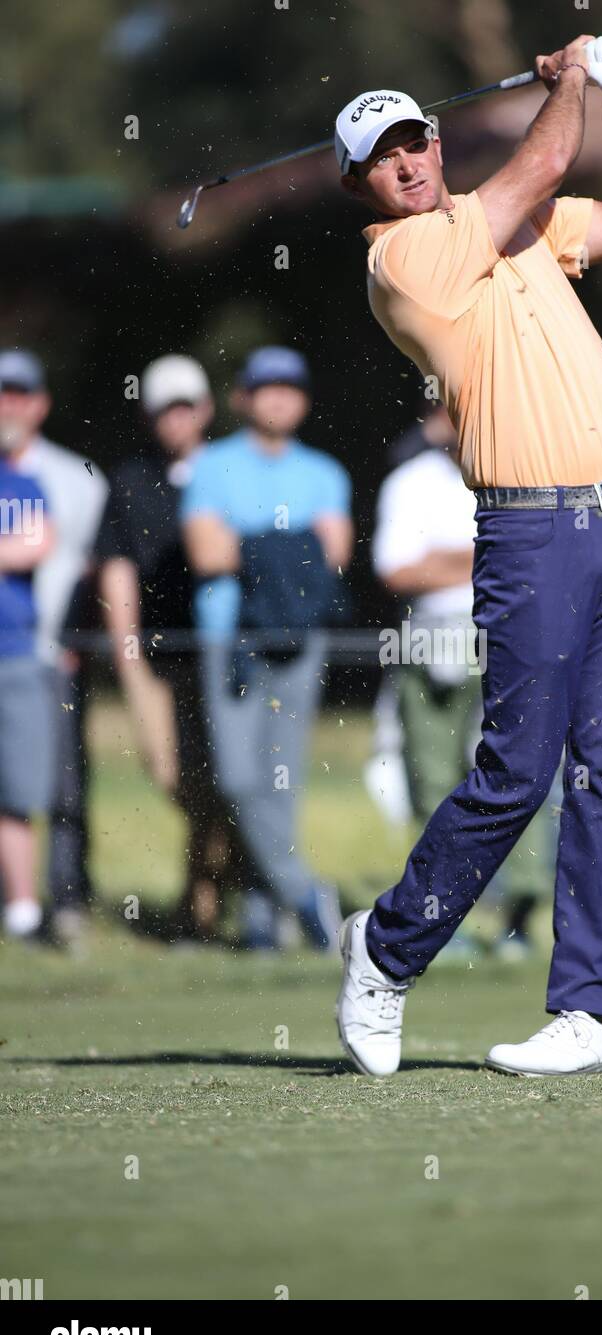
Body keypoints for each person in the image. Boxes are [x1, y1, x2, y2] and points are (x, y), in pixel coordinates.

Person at [333, 33, 602, 1076]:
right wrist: (572, 74)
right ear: (359, 182)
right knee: (516, 770)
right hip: (535, 530)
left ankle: (586, 1014)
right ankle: (384, 953)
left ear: (435, 142)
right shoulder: (400, 258)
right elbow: (532, 163)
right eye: (381, 157)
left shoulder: (514, 223)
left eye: (413, 142)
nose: (405, 164)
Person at [182, 346, 353, 951]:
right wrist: (293, 547)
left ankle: (262, 916)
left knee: (280, 779)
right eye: (265, 387)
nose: (278, 397)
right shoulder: (212, 465)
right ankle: (304, 894)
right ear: (243, 398)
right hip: (230, 637)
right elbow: (206, 551)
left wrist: (252, 546)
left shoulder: (325, 473)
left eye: (290, 387)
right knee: (235, 777)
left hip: (298, 640)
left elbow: (334, 555)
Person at [373, 399, 551, 958]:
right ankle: (441, 917)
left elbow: (538, 560)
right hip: (435, 638)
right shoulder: (410, 481)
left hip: (511, 634)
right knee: (433, 779)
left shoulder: (520, 476)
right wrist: (483, 557)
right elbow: (398, 568)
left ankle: (519, 916)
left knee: (517, 771)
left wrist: (449, 560)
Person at [96, 354, 240, 941]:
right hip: (158, 656)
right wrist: (126, 652)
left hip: (224, 654)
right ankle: (223, 880)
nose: (176, 420)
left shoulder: (231, 472)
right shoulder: (130, 482)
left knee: (223, 777)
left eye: (185, 407)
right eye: (164, 410)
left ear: (204, 409)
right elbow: (118, 569)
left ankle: (204, 901)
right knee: (172, 774)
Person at [0, 349, 108, 944]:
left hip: (54, 652)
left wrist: (84, 636)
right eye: (1, 393)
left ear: (40, 403)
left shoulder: (75, 476)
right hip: (14, 648)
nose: (9, 404)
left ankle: (65, 897)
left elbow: (91, 564)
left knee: (62, 785)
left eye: (20, 393)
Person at [0, 455, 56, 940]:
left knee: (19, 791)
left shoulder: (23, 484)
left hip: (14, 653)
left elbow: (36, 545)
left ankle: (23, 912)